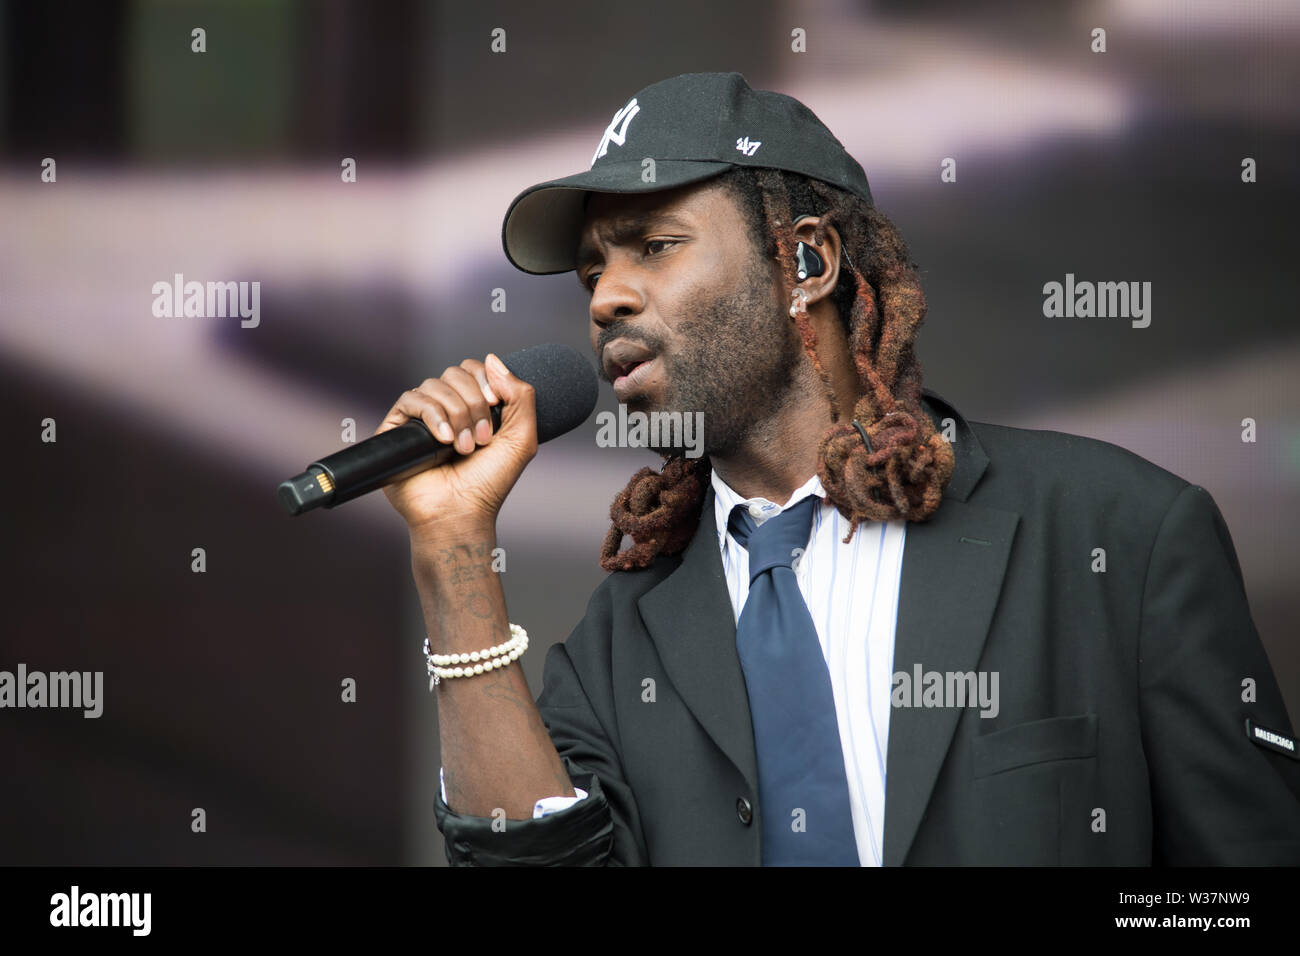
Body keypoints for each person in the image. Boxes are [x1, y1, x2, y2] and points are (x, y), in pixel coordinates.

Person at [375, 72, 1300, 865]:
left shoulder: (1118, 538)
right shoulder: (622, 647)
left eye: (654, 246)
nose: (608, 297)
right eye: (591, 273)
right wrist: (452, 551)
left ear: (806, 259)